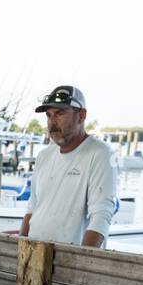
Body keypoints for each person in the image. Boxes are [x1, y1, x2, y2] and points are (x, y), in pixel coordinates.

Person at [19, 85, 117, 248]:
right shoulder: (44, 156)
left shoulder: (101, 154)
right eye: (49, 115)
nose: (52, 122)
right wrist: (20, 248)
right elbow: (33, 207)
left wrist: (82, 263)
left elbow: (101, 216)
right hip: (33, 255)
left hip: (70, 261)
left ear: (81, 115)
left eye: (60, 114)